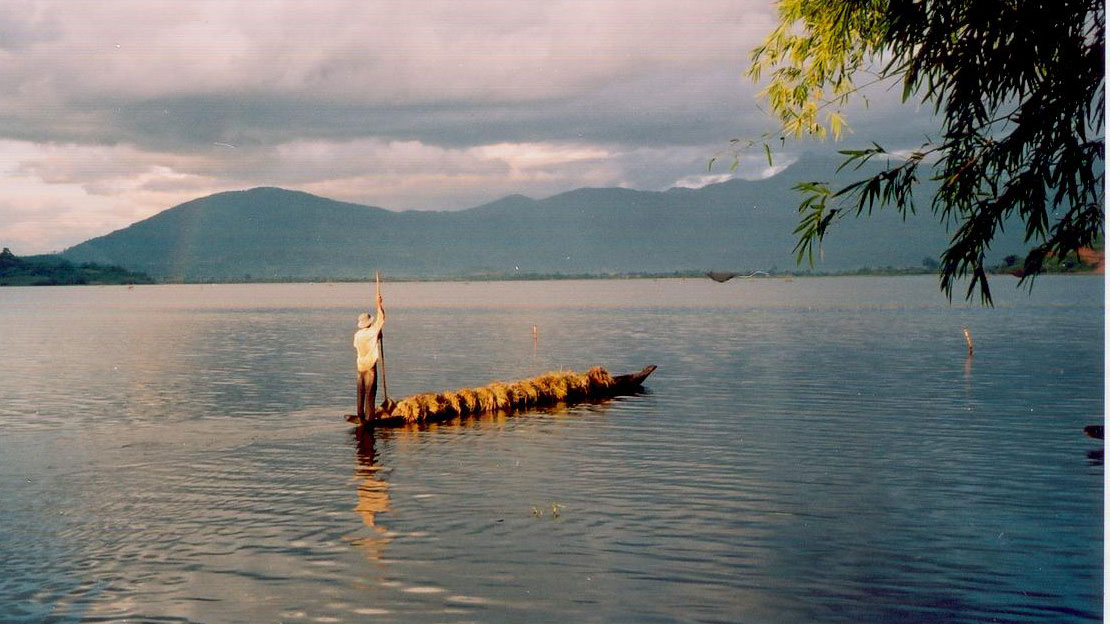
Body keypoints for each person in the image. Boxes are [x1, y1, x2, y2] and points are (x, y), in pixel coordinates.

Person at [353, 292, 386, 424]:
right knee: (370, 393)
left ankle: (360, 415)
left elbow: (357, 346)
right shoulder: (372, 332)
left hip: (360, 367)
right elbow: (382, 318)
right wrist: (379, 304)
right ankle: (369, 418)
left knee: (360, 392)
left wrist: (376, 337)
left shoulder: (357, 335)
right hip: (370, 367)